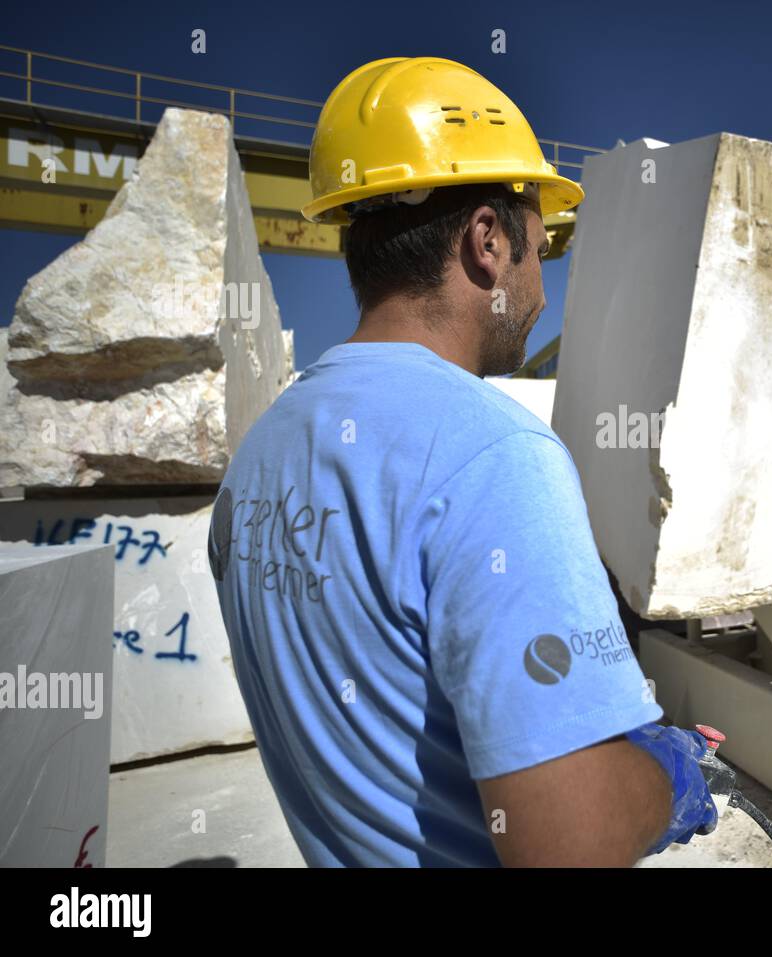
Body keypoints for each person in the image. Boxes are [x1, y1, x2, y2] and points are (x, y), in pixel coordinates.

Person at [207, 56, 716, 866]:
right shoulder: (495, 455)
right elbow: (568, 843)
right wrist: (663, 776)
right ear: (487, 243)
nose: (543, 291)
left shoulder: (257, 460)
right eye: (540, 251)